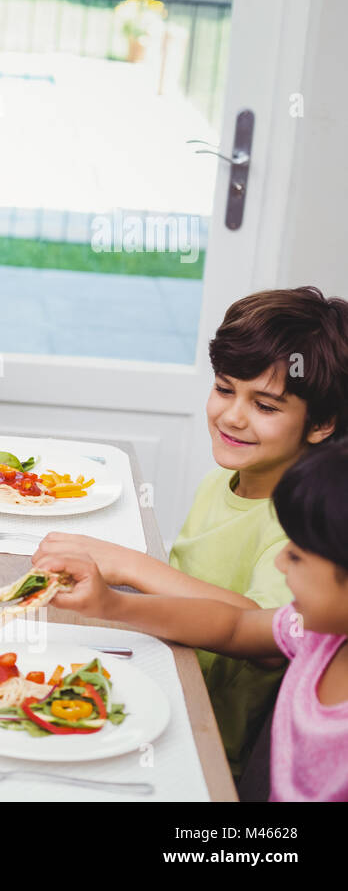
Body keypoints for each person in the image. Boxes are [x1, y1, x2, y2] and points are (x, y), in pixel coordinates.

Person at [32, 286, 348, 776]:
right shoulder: (223, 479)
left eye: (265, 406)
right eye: (224, 389)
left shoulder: (306, 532)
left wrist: (134, 567)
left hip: (204, 737)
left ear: (321, 423)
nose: (233, 416)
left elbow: (260, 629)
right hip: (156, 670)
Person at [38, 440, 348, 801]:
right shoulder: (313, 632)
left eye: (296, 555)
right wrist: (112, 604)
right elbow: (235, 626)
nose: (280, 563)